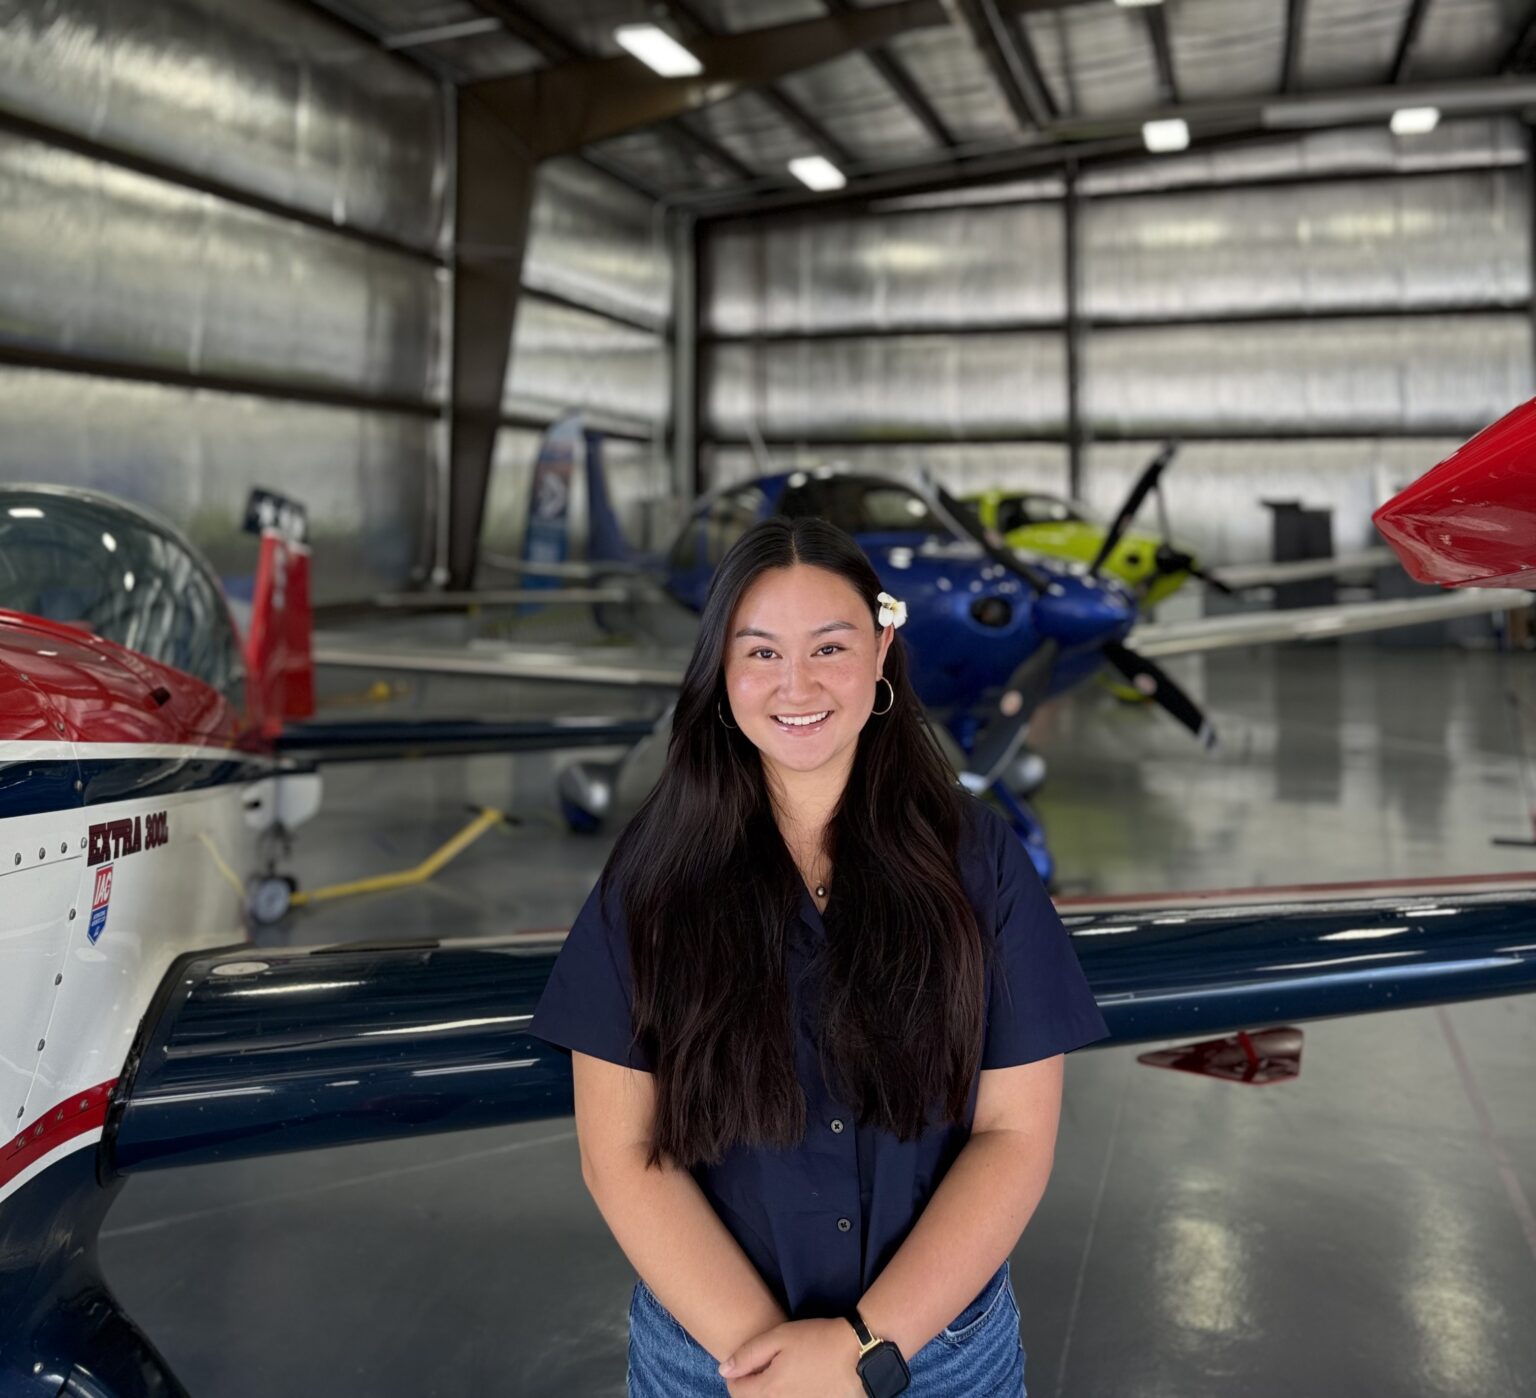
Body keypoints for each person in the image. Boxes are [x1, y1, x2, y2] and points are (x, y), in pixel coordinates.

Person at [528, 516, 1109, 1397]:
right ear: (720, 670)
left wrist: (862, 1351)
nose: (795, 683)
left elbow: (1015, 1133)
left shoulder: (979, 859)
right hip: (713, 1366)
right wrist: (770, 1362)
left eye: (829, 646)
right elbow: (621, 1153)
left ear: (881, 650)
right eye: (760, 652)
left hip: (942, 1359)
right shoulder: (650, 877)